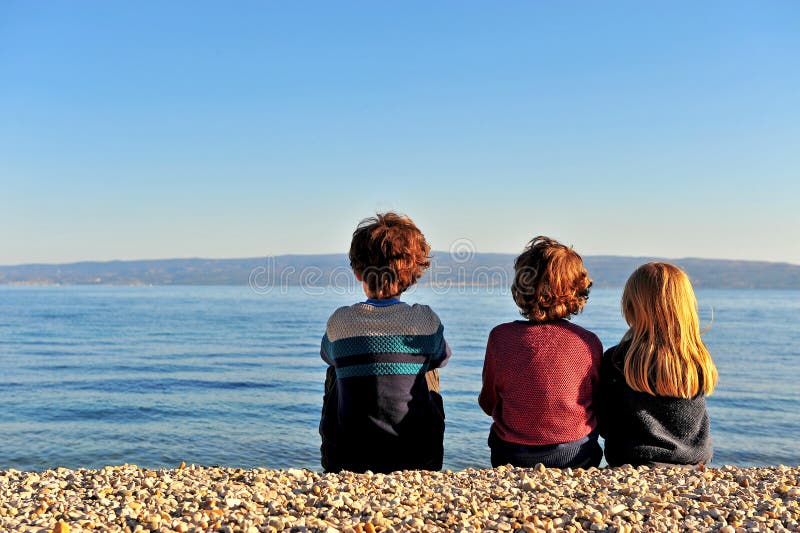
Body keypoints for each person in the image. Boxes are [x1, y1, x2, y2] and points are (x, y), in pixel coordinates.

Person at [319, 212, 451, 473]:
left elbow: (326, 354)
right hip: (417, 458)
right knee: (429, 366)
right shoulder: (425, 319)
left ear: (358, 272)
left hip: (347, 459)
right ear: (413, 276)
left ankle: (341, 451)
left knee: (336, 367)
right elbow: (442, 357)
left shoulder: (340, 320)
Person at [479, 236, 603, 468]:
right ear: (578, 289)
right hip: (577, 454)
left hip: (513, 456)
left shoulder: (501, 337)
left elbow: (488, 403)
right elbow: (597, 404)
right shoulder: (588, 342)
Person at [597, 262, 718, 467]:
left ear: (631, 307)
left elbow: (605, 425)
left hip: (633, 461)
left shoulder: (616, 360)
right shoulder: (698, 358)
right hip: (694, 463)